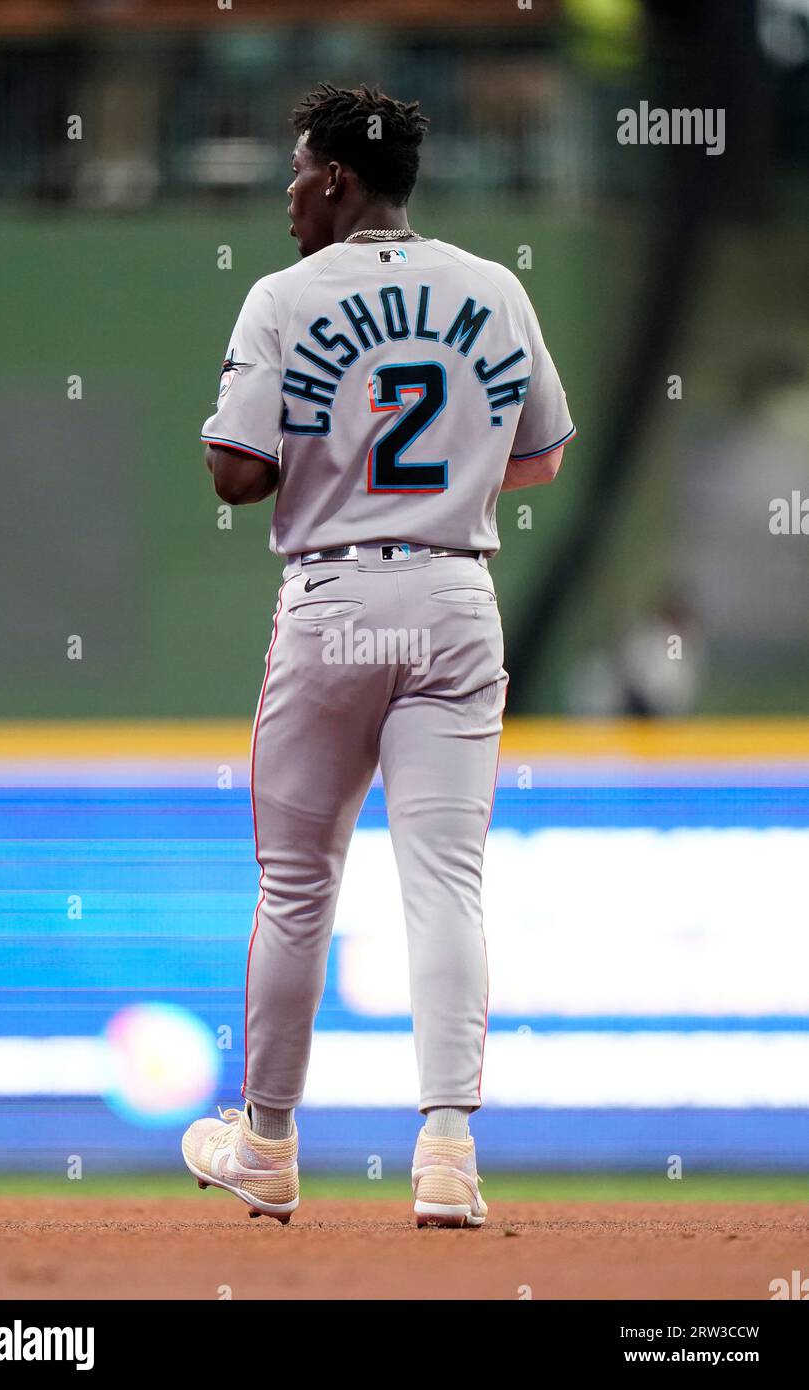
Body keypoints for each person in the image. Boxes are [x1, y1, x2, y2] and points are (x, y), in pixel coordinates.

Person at [182, 83, 575, 1228]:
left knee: (298, 885)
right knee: (443, 881)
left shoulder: (283, 295)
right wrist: (442, 474)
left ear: (339, 181)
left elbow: (234, 472)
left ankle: (265, 1141)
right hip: (456, 592)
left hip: (335, 597)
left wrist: (335, 456)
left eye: (299, 172)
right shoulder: (491, 288)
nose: (287, 195)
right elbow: (541, 455)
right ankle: (446, 1151)